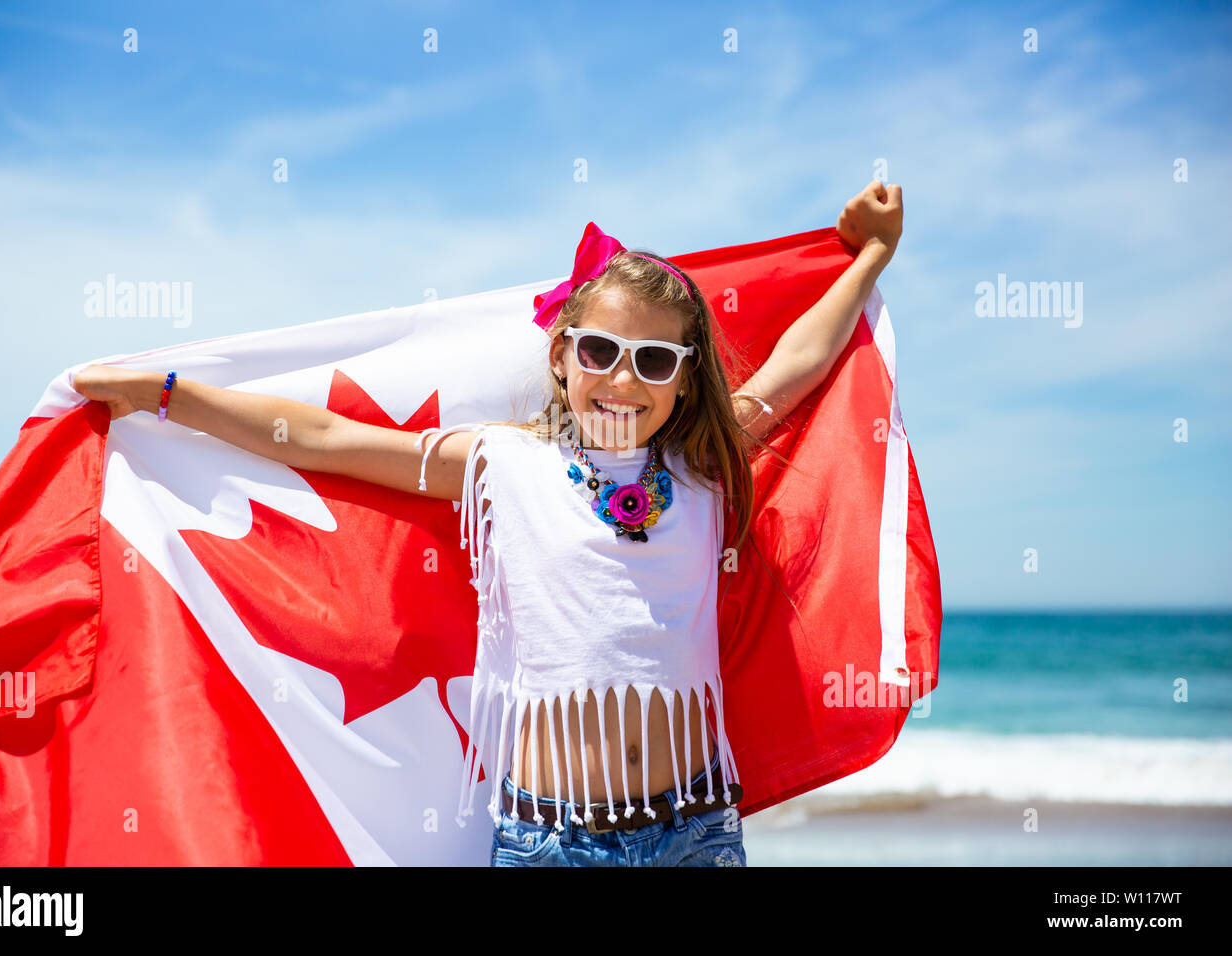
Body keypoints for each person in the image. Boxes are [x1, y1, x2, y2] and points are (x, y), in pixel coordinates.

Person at [74, 179, 903, 866]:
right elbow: (326, 438)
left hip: (697, 832)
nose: (623, 378)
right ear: (561, 355)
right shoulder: (503, 465)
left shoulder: (701, 472)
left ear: (684, 382)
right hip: (551, 843)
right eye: (600, 353)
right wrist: (166, 393)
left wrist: (870, 257)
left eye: (654, 361)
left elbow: (799, 362)